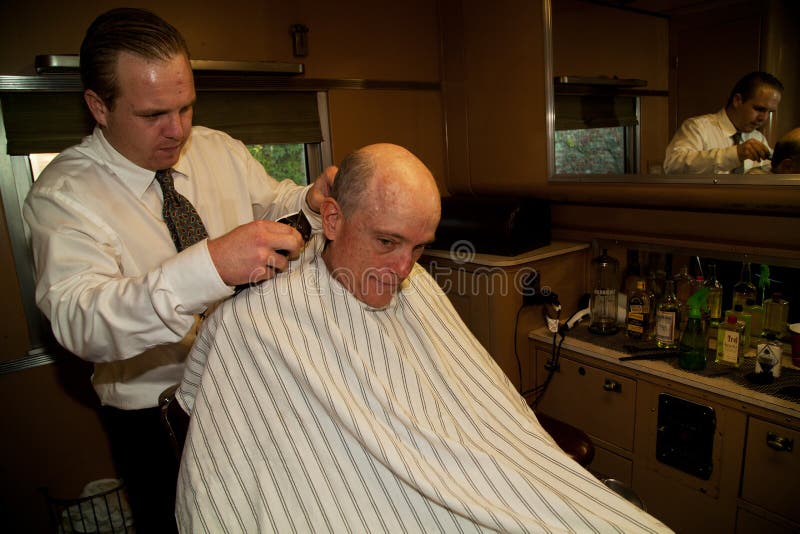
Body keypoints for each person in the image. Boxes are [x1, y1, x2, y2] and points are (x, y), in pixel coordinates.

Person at [175, 143, 672, 533]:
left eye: (419, 248)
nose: (402, 268)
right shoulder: (259, 320)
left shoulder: (416, 287)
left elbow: (477, 410)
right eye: (387, 241)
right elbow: (245, 472)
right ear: (332, 219)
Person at [22, 8, 335, 532]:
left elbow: (270, 203)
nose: (178, 130)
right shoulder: (63, 196)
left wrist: (308, 199)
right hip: (157, 423)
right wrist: (208, 267)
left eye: (187, 106)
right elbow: (80, 320)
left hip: (253, 390)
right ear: (98, 106)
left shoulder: (218, 149)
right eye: (153, 115)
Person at [663, 71, 783, 174]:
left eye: (770, 112)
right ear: (737, 100)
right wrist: (735, 154)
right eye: (759, 109)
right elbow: (672, 166)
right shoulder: (698, 128)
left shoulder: (758, 138)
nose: (764, 118)